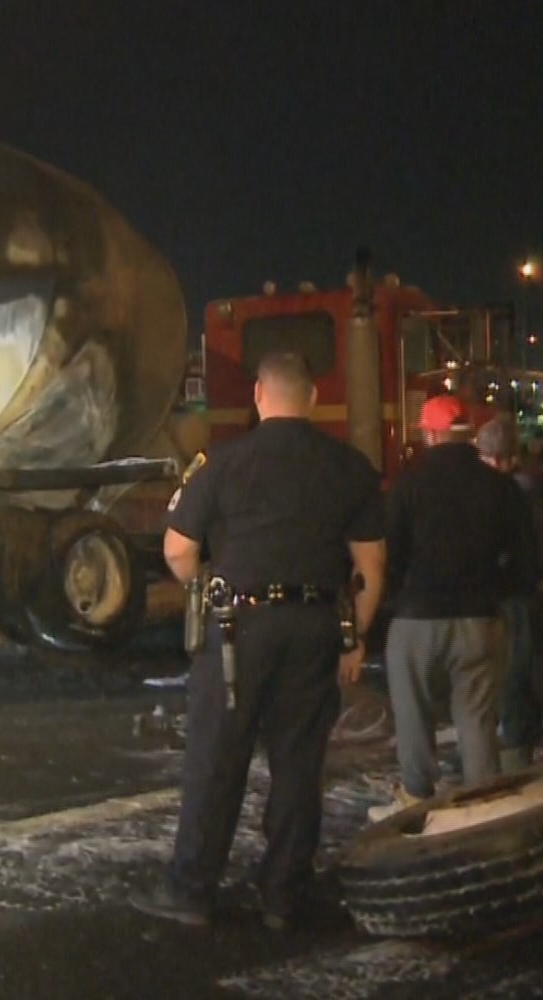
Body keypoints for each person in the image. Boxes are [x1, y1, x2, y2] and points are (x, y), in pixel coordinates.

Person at [131, 351, 386, 931]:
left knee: (218, 758)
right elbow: (370, 564)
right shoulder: (349, 467)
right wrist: (355, 638)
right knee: (299, 763)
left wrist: (206, 584)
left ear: (258, 396)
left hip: (236, 630)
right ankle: (283, 895)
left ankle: (193, 890)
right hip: (316, 626)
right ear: (313, 400)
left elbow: (176, 549)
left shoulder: (224, 463)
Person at [371, 396, 538, 820]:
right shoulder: (500, 487)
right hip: (480, 619)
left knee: (413, 714)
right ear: (468, 433)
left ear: (429, 433)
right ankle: (484, 804)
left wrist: (396, 599)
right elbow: (526, 562)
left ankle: (417, 801)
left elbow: (389, 554)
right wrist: (493, 593)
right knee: (477, 718)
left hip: (417, 618)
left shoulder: (407, 485)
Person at [475, 416, 543, 770]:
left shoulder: (513, 492)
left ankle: (516, 757)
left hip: (515, 594)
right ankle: (525, 747)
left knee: (512, 677)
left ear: (498, 458)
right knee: (526, 673)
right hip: (534, 592)